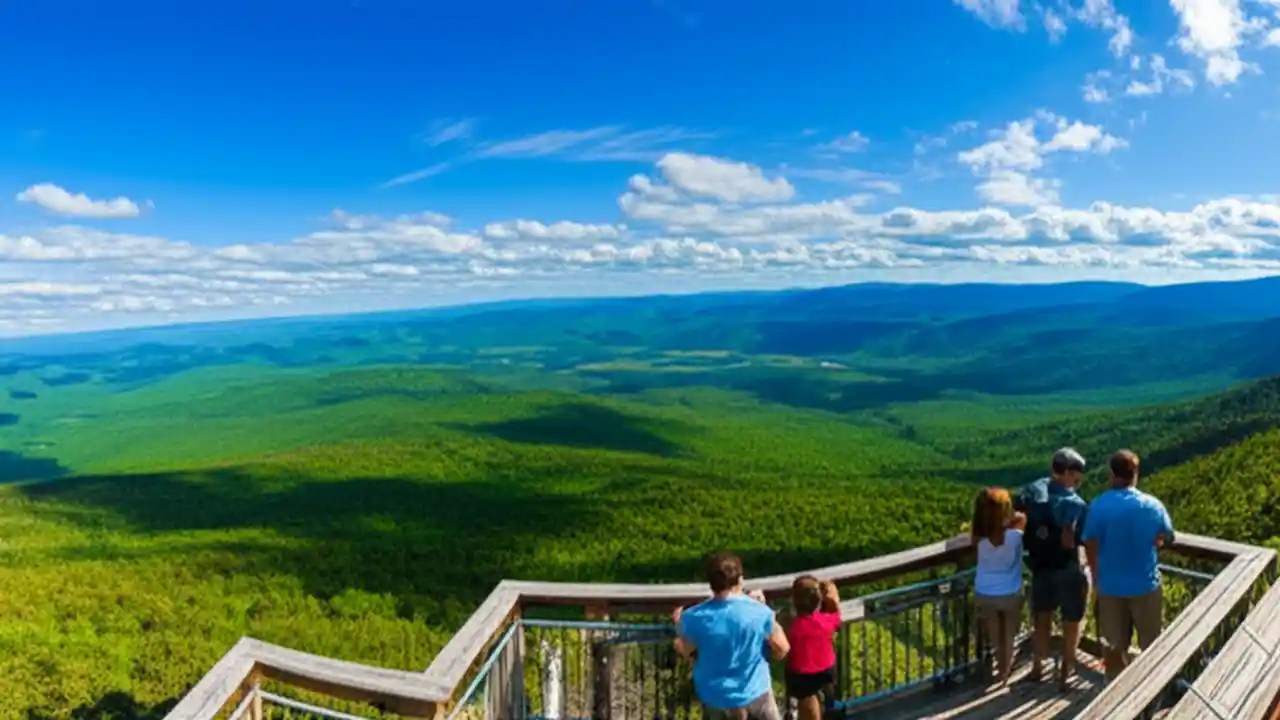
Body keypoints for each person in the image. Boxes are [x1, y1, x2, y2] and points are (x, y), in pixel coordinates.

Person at [1082, 450, 1175, 681]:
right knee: (1152, 644)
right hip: (1145, 584)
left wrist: (1096, 576)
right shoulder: (1153, 505)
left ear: (1111, 474)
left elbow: (1089, 541)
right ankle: (1153, 690)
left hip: (1110, 586)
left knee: (1114, 647)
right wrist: (1156, 540)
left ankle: (1115, 695)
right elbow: (1168, 536)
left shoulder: (1098, 506)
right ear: (1135, 474)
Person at [673, 552, 790, 720]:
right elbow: (782, 648)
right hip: (755, 691)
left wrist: (679, 628)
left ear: (711, 584)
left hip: (715, 696)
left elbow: (684, 649)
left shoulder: (694, 617)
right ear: (740, 580)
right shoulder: (760, 612)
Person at [1015, 447, 1091, 689]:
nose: (1079, 479)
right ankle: (1065, 672)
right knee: (1072, 621)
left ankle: (1038, 667)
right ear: (1068, 472)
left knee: (1041, 619)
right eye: (1077, 474)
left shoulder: (1032, 491)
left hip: (1040, 567)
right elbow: (1081, 538)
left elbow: (1016, 511)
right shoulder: (1074, 504)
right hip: (1068, 567)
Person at [971, 487, 1026, 688]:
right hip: (1010, 592)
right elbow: (1020, 518)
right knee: (1009, 635)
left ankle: (998, 668)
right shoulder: (1016, 535)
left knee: (995, 636)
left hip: (984, 591)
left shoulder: (977, 539)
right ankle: (1004, 673)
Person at [784, 576, 841, 720]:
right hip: (826, 671)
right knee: (828, 701)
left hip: (800, 675)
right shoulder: (827, 621)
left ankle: (793, 709)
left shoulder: (792, 627)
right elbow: (837, 615)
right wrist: (832, 597)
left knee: (804, 705)